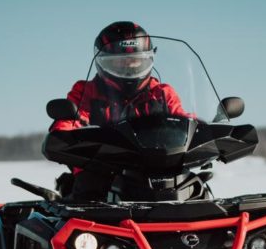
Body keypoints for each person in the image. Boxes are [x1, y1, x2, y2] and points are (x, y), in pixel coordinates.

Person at [50, 21, 195, 199]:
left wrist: (209, 131)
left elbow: (184, 120)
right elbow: (70, 121)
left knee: (197, 186)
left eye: (135, 62)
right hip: (102, 172)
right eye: (119, 63)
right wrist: (63, 136)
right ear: (101, 61)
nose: (129, 68)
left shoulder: (162, 93)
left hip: (161, 170)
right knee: (89, 188)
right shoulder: (86, 91)